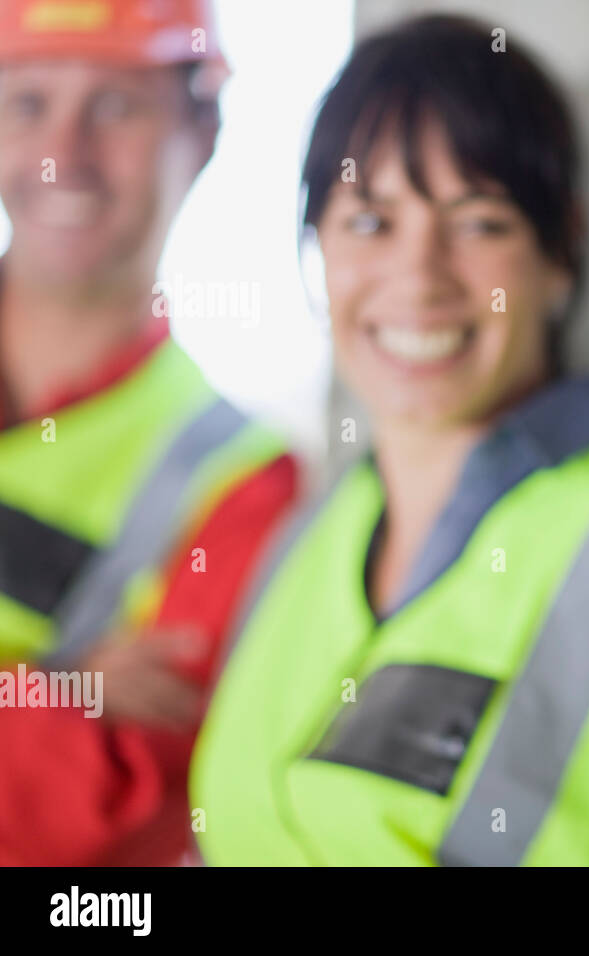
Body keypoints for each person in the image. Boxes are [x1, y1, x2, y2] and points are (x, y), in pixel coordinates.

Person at [188, 14, 589, 867]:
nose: (419, 278)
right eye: (369, 222)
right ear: (316, 249)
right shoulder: (303, 539)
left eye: (478, 222)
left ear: (561, 253)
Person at [0, 0, 299, 865]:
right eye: (27, 104)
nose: (64, 156)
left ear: (201, 131)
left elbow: (104, 808)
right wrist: (56, 691)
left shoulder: (240, 483)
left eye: (116, 106)